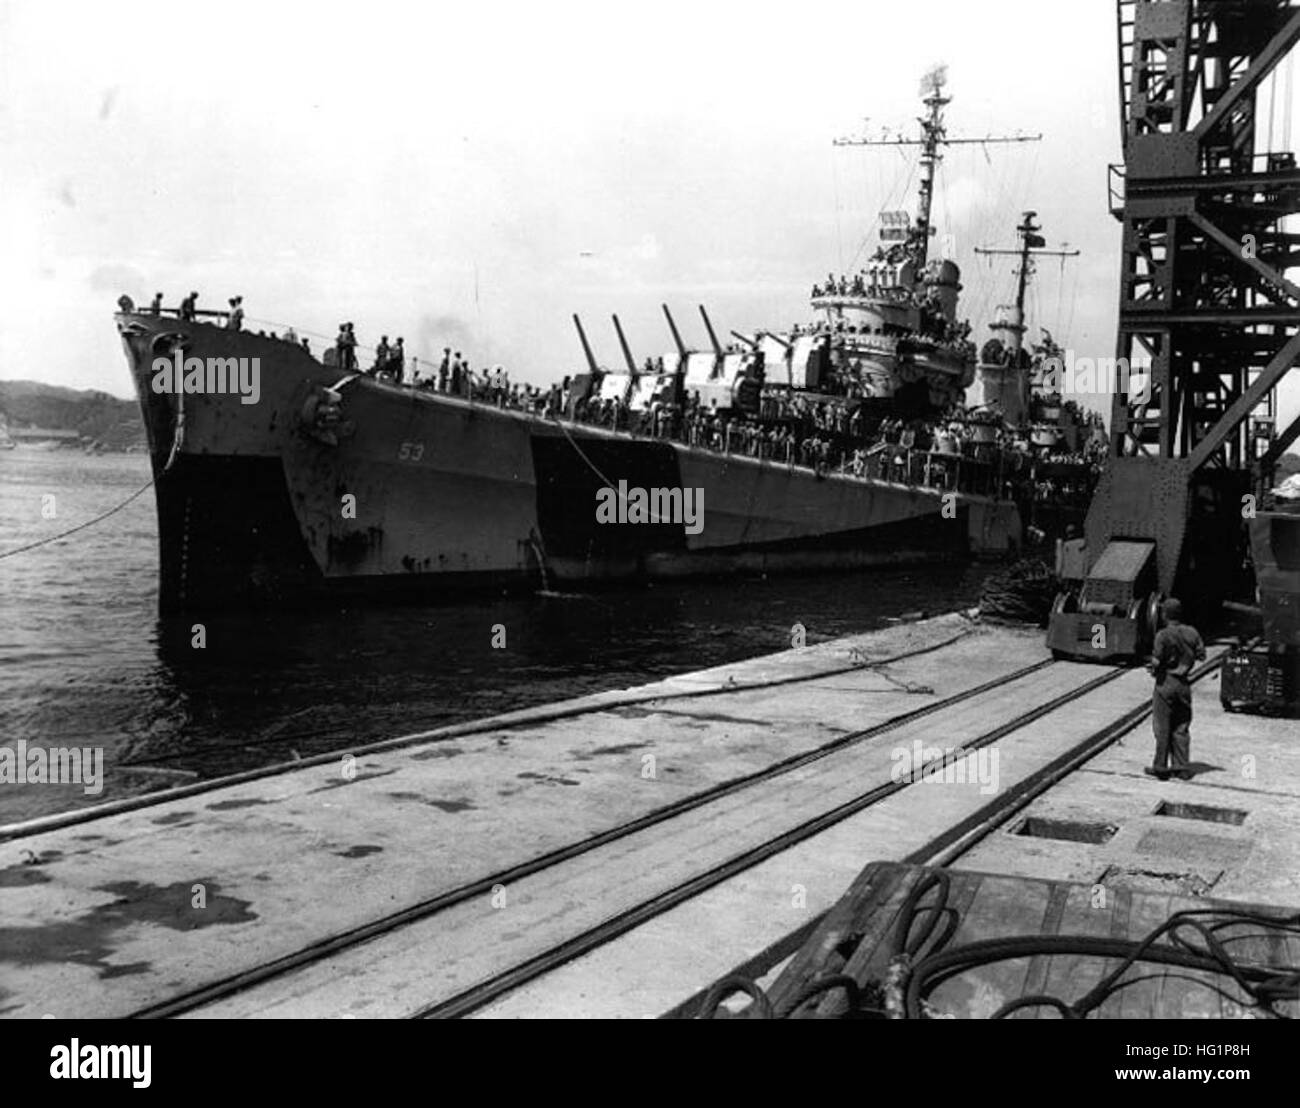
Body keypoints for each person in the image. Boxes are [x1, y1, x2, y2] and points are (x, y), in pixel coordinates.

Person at [1145, 598, 1206, 780]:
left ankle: (1161, 767)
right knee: (1181, 726)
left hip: (1165, 683)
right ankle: (1181, 768)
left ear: (1164, 615)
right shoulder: (1192, 632)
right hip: (1184, 684)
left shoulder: (1162, 635)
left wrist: (1153, 667)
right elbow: (1202, 655)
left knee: (1162, 727)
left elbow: (1156, 660)